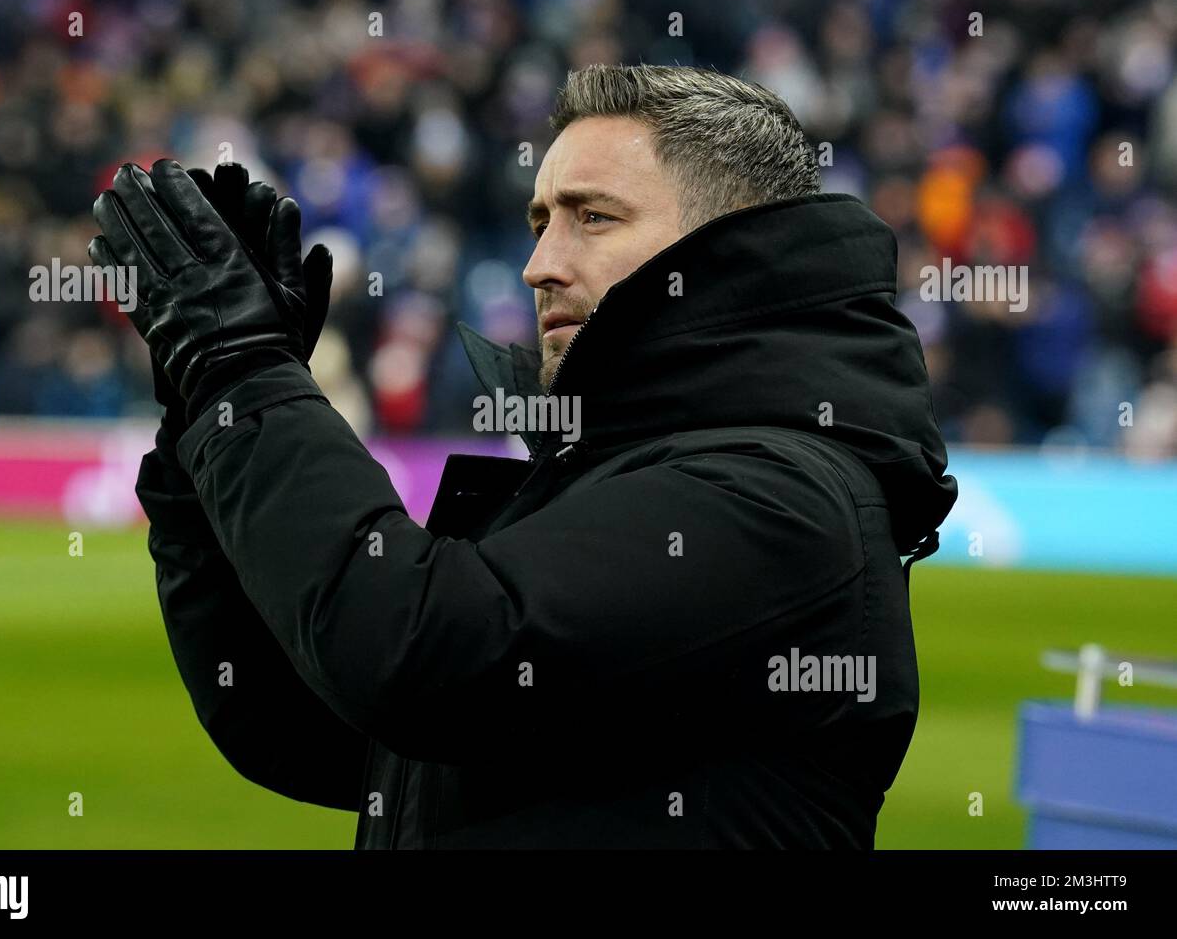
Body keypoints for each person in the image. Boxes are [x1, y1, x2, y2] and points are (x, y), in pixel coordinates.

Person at [95, 64, 957, 848]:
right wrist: (203, 412)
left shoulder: (779, 498)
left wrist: (240, 367)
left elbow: (415, 652)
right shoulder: (614, 469)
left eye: (594, 217)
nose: (540, 265)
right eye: (540, 222)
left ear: (729, 244)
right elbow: (304, 726)